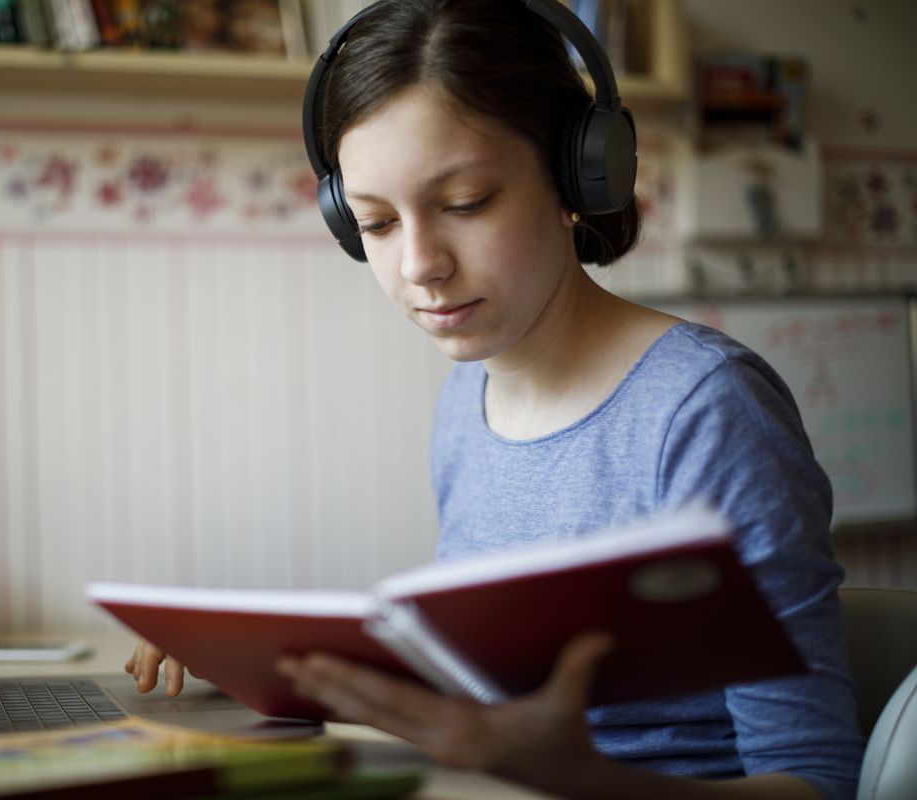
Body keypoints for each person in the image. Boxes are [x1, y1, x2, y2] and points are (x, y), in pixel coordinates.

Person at [125, 1, 866, 796]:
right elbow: (490, 713)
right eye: (375, 224)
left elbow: (816, 780)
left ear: (578, 176)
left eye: (467, 203)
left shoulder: (705, 409)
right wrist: (267, 667)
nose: (420, 265)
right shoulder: (465, 399)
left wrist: (575, 775)